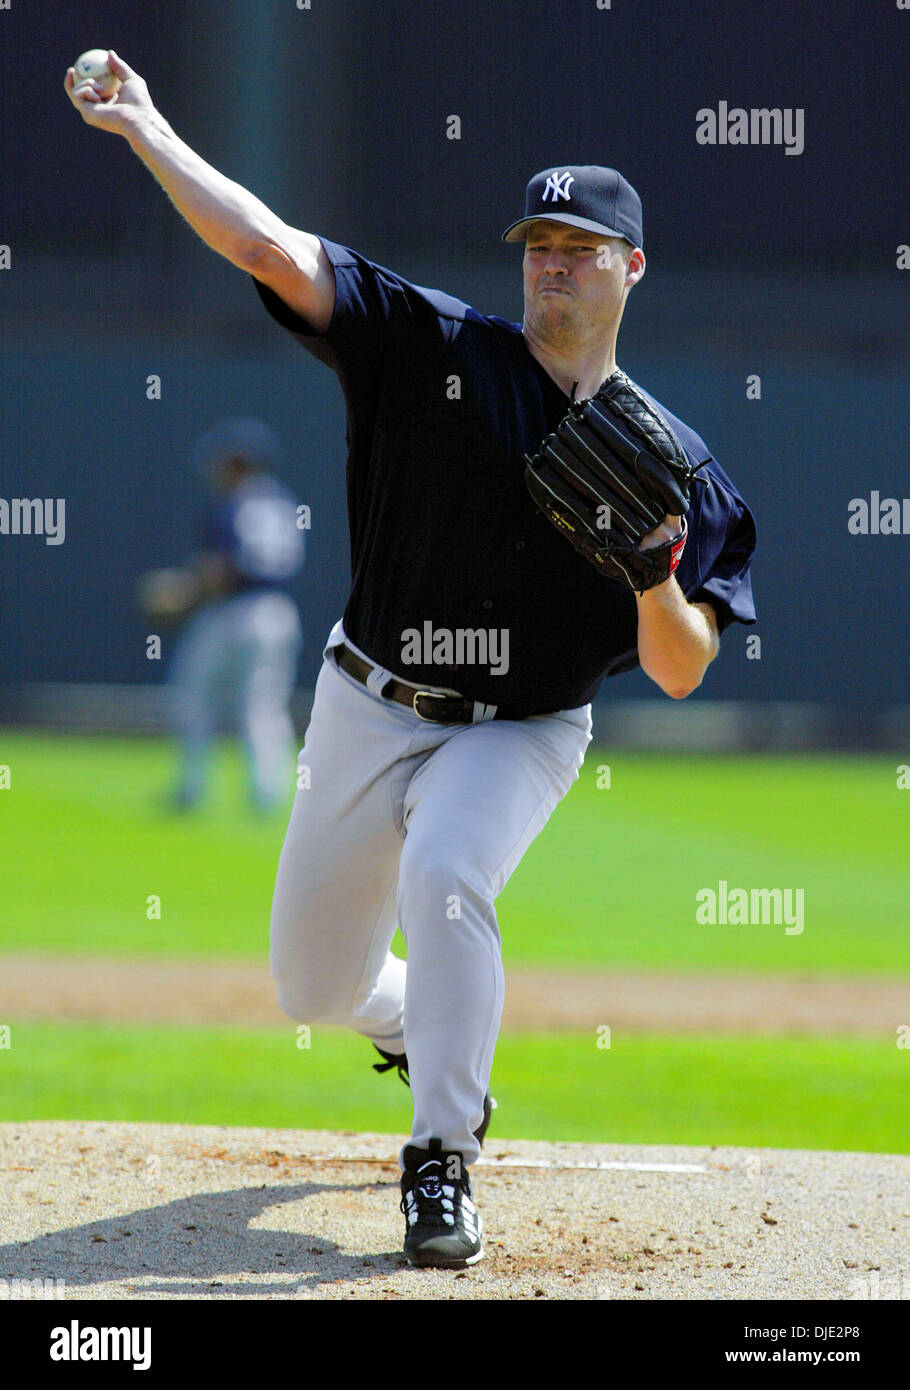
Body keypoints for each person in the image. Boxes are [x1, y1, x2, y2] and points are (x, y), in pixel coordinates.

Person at [66, 54, 756, 1269]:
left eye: (581, 245)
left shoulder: (679, 469)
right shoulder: (430, 348)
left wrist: (651, 573)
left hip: (523, 728)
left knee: (448, 870)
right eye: (538, 241)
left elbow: (686, 666)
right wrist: (152, 132)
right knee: (311, 990)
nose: (552, 260)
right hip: (364, 698)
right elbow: (275, 250)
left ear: (630, 266)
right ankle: (409, 1021)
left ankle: (442, 1156)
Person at [143, 417, 305, 812]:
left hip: (232, 612)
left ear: (239, 461)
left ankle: (191, 788)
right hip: (277, 611)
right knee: (262, 704)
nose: (215, 466)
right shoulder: (284, 503)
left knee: (192, 697)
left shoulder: (233, 504)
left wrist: (182, 592)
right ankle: (268, 795)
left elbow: (220, 571)